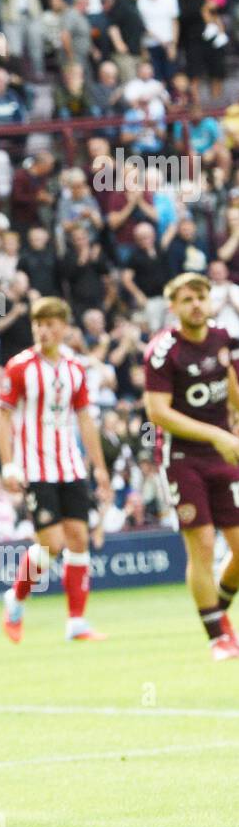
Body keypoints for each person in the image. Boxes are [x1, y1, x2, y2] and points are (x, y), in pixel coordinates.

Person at [0, 298, 112, 644]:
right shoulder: (19, 367)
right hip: (35, 469)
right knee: (52, 544)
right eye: (38, 324)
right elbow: (2, 416)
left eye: (50, 324)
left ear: (63, 327)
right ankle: (15, 599)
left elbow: (86, 419)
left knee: (79, 540)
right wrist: (8, 464)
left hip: (71, 467)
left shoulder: (75, 368)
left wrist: (99, 467)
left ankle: (77, 622)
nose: (43, 330)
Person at [144, 273, 239, 660]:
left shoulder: (222, 338)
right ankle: (217, 635)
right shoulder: (164, 350)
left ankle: (218, 601)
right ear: (174, 307)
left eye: (201, 296)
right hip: (183, 459)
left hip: (224, 454)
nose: (196, 304)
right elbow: (157, 413)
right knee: (200, 544)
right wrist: (216, 435)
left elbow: (231, 386)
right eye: (187, 299)